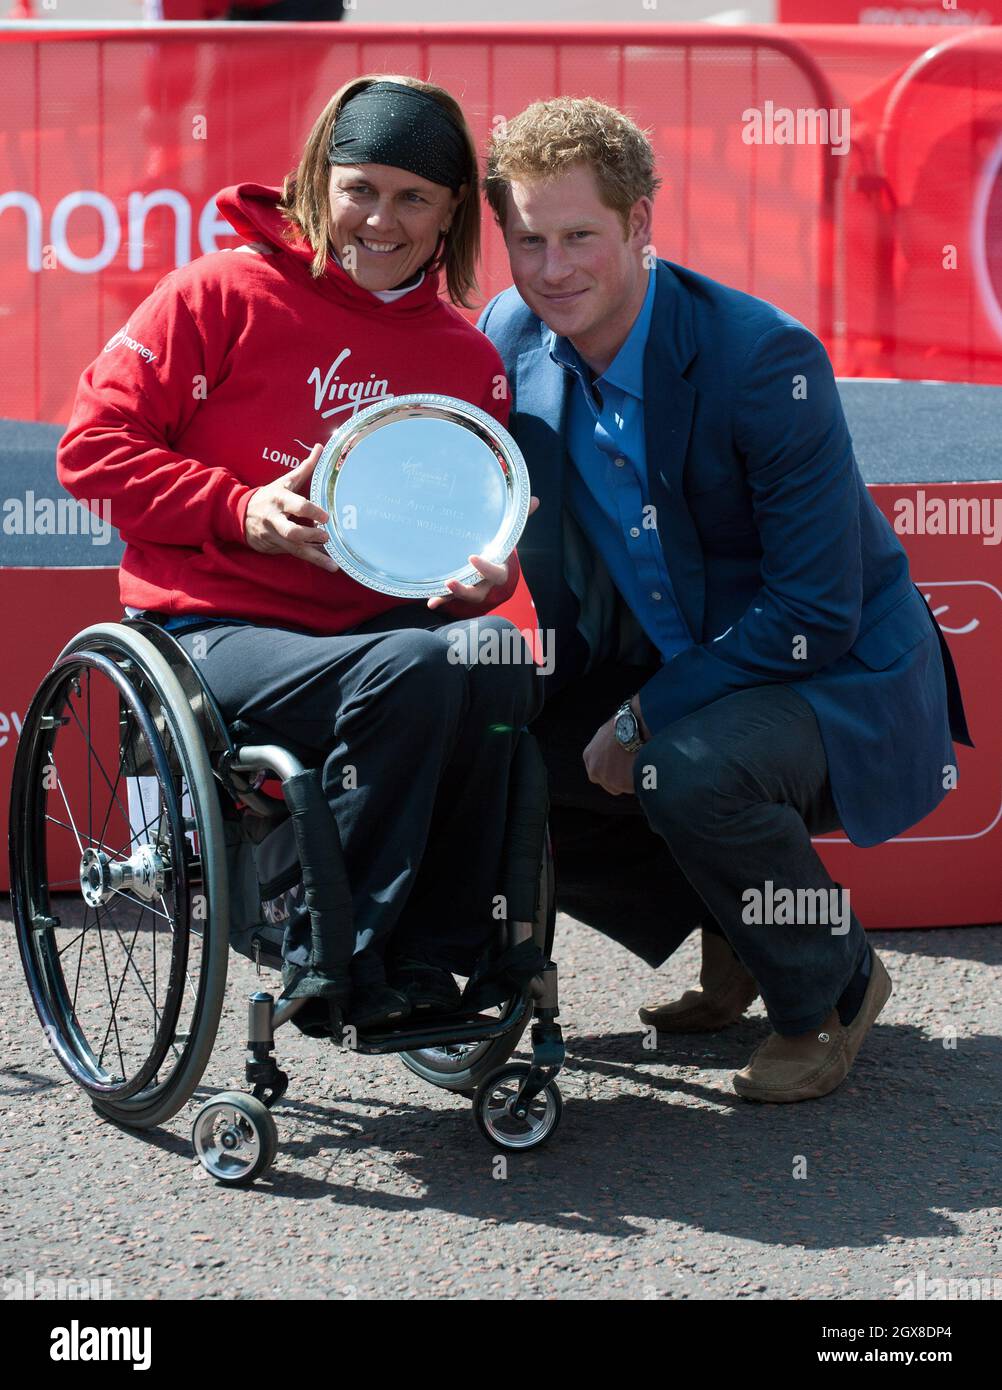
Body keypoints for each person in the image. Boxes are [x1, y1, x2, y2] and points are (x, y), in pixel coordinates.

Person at [478, 96, 971, 1103]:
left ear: (642, 224)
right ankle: (745, 934)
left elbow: (814, 610)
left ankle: (829, 984)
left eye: (581, 235)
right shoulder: (510, 333)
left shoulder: (761, 359)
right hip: (678, 660)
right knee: (493, 752)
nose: (553, 268)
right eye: (528, 238)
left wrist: (641, 712)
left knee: (686, 773)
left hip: (835, 671)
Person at [56, 75, 540, 1033]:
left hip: (379, 635)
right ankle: (336, 957)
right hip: (211, 624)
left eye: (413, 198)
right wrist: (241, 511)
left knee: (492, 662)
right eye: (359, 187)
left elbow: (468, 539)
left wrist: (493, 577)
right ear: (321, 180)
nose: (379, 219)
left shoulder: (467, 363)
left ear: (450, 216)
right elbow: (91, 452)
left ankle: (442, 958)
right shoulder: (221, 294)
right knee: (413, 667)